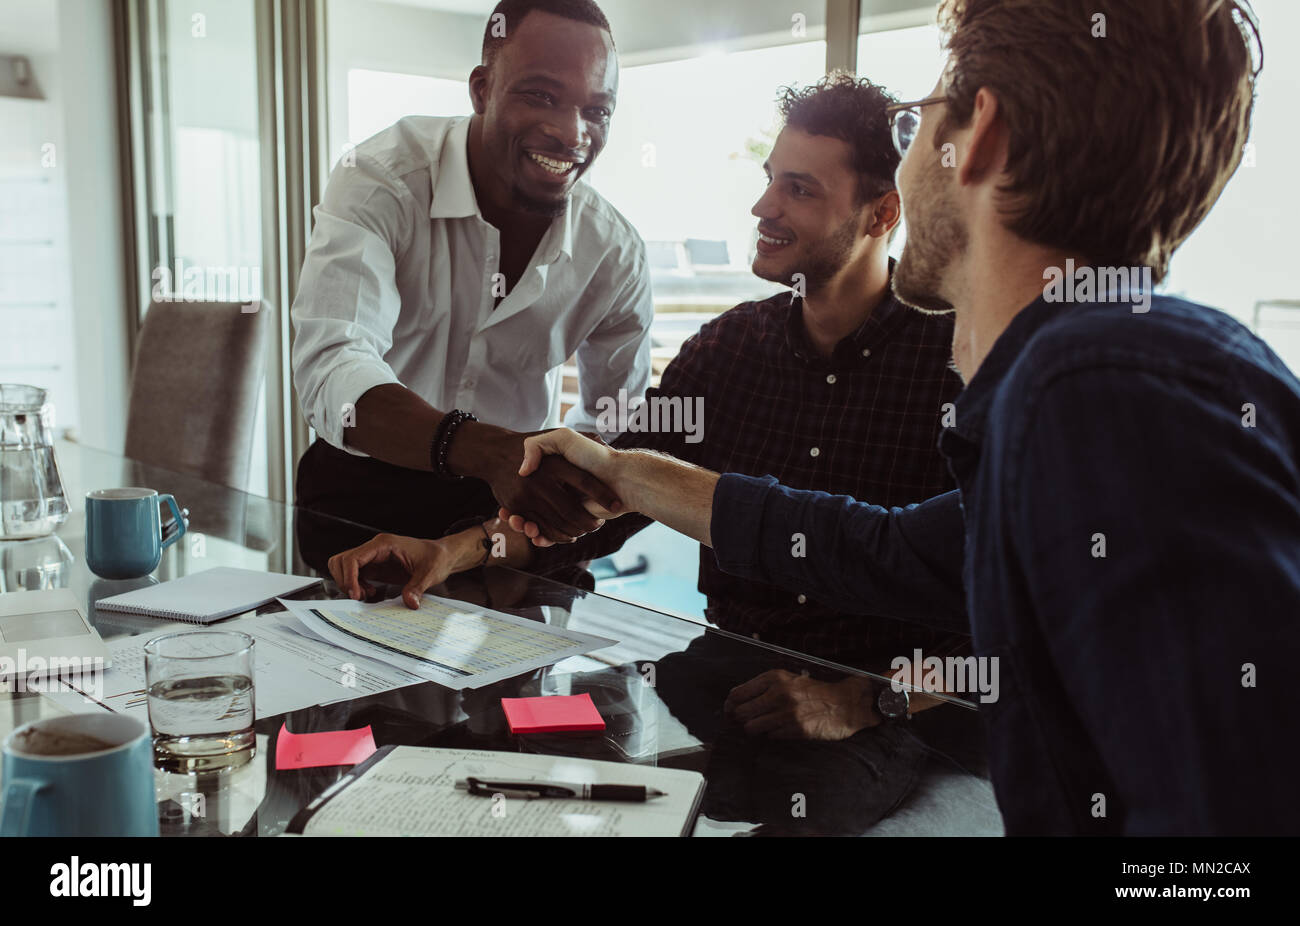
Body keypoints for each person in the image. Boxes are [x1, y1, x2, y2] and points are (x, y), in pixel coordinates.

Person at [500, 0, 1300, 836]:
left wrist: (874, 698)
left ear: (978, 135)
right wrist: (620, 470)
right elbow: (877, 548)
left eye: (918, 122)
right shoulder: (1085, 376)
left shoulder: (1092, 387)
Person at [325, 75, 975, 827]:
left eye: (798, 190)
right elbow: (600, 498)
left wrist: (865, 698)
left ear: (882, 212)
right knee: (506, 754)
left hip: (869, 702)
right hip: (720, 672)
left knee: (789, 808)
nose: (764, 208)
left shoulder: (954, 362)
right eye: (769, 182)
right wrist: (450, 552)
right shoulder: (731, 349)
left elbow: (1008, 625)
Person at [291, 0, 648, 552]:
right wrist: (486, 449)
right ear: (482, 89)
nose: (572, 133)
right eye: (541, 96)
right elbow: (332, 361)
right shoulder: (383, 178)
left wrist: (551, 480)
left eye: (597, 110)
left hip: (512, 511)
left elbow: (614, 417)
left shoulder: (615, 252)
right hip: (360, 494)